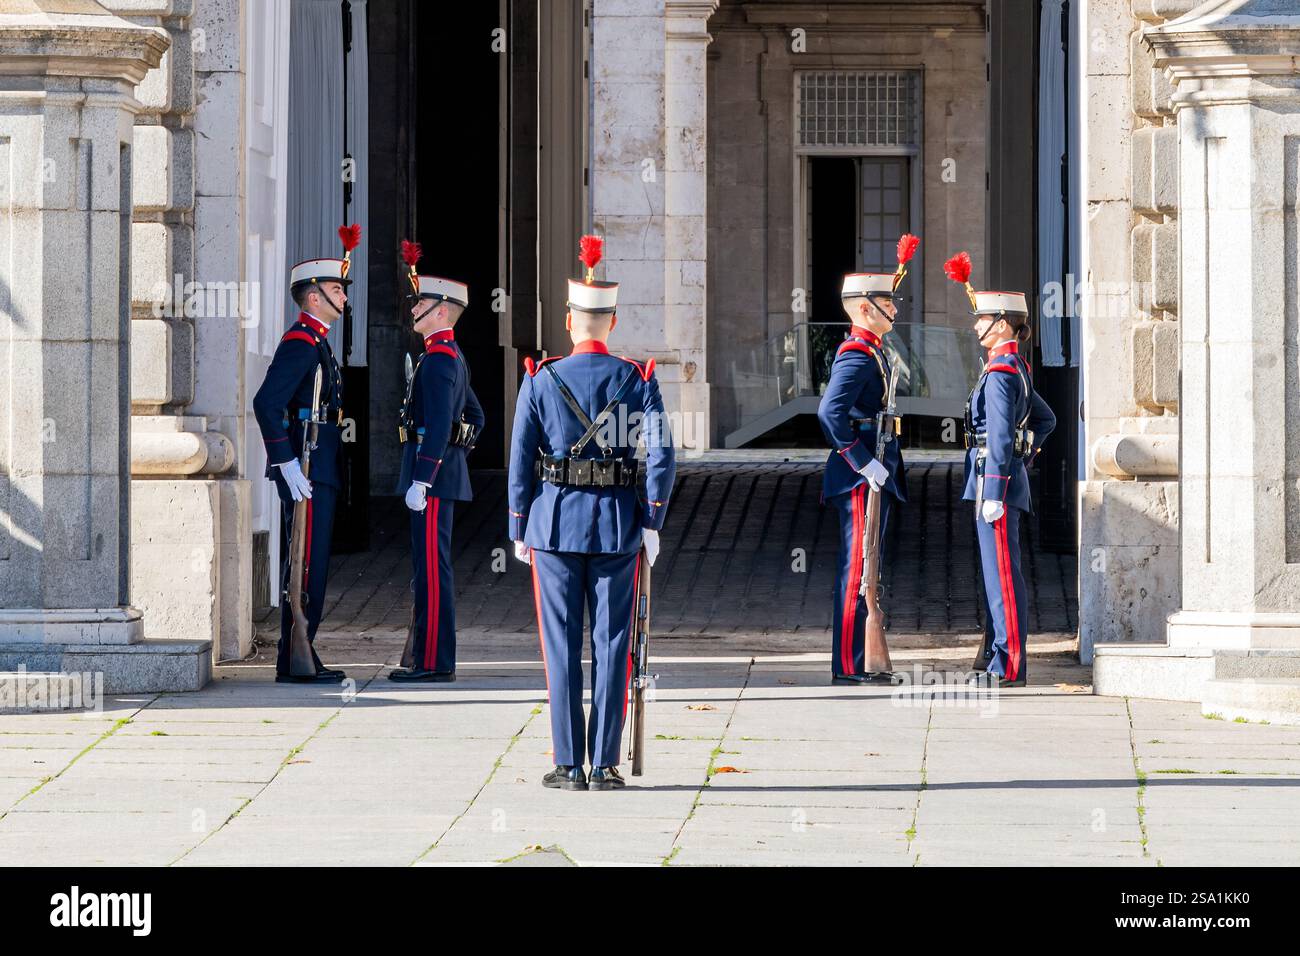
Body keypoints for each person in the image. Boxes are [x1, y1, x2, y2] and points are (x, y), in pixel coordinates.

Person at [508, 234, 676, 791]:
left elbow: (519, 459)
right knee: (612, 645)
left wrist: (517, 523)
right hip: (616, 526)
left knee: (560, 646)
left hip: (553, 525)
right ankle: (604, 764)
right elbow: (661, 453)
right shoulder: (638, 378)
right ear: (613, 321)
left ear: (568, 320)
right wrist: (651, 519)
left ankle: (566, 763)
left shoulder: (539, 377)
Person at [252, 224, 360, 683]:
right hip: (307, 466)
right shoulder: (302, 343)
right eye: (337, 289)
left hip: (320, 465)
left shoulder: (318, 342)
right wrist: (286, 461)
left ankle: (302, 651)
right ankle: (296, 656)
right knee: (304, 564)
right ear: (313, 296)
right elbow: (266, 403)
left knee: (310, 563)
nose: (344, 297)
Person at [945, 251, 1057, 687]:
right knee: (998, 574)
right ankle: (998, 656)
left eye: (983, 319)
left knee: (1003, 577)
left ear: (1004, 324)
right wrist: (1024, 460)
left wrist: (996, 486)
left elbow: (998, 438)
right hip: (999, 480)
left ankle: (1007, 666)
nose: (976, 326)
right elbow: (1044, 422)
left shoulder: (1002, 374)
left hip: (994, 486)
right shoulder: (1012, 369)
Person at [816, 235, 917, 685]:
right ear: (862, 309)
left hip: (874, 469)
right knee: (857, 567)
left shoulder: (875, 352)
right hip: (861, 476)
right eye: (885, 303)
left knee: (868, 566)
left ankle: (861, 657)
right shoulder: (857, 357)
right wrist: (861, 461)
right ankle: (849, 663)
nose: (893, 310)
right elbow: (830, 413)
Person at [390, 241, 483, 682]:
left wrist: (425, 477)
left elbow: (445, 426)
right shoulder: (446, 356)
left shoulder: (441, 361)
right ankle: (430, 657)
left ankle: (431, 661)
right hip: (438, 478)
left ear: (443, 311)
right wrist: (454, 459)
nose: (415, 310)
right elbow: (475, 419)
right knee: (430, 568)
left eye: (422, 303)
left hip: (430, 484)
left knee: (431, 571)